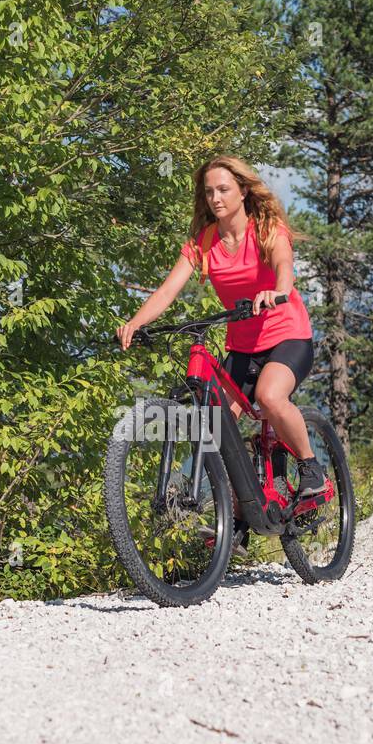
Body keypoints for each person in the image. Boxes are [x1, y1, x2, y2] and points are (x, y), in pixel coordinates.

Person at [116, 154, 328, 553]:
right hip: (242, 347)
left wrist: (277, 291)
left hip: (287, 335)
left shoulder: (266, 228)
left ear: (243, 190)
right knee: (215, 425)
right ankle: (239, 513)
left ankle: (311, 468)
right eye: (209, 191)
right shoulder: (205, 242)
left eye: (224, 189)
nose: (215, 198)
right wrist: (136, 322)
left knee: (269, 396)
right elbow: (167, 290)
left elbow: (284, 265)